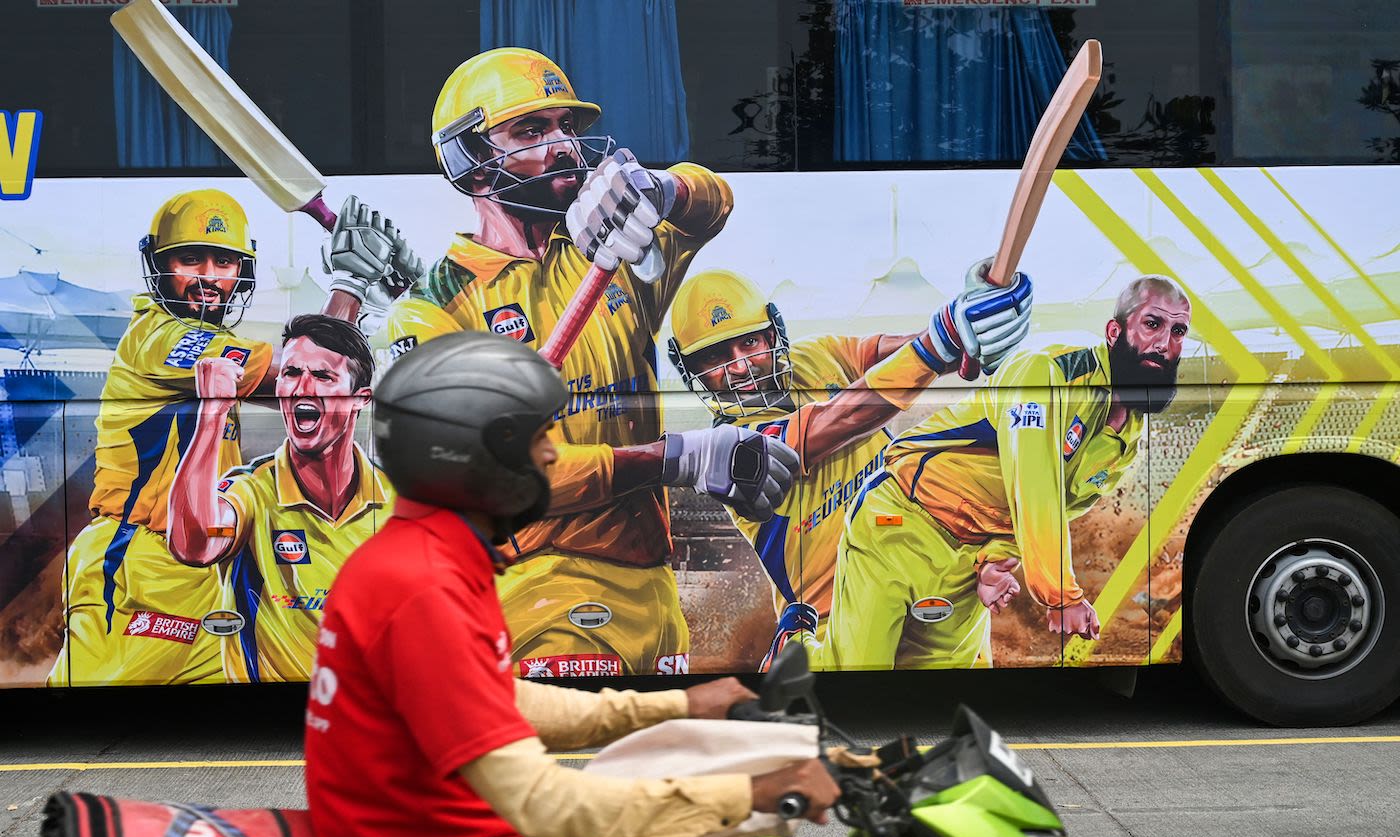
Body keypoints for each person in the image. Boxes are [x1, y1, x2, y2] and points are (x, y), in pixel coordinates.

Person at [303, 330, 840, 837]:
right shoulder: (424, 588)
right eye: (539, 440)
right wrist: (760, 793)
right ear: (475, 460)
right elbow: (548, 805)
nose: (556, 456)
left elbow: (501, 703)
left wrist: (680, 703)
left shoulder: (423, 556)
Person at [384, 47, 797, 677]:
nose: (564, 147)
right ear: (470, 160)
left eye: (568, 128)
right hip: (536, 590)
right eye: (531, 130)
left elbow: (714, 203)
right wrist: (676, 459)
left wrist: (661, 188)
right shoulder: (432, 310)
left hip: (652, 582)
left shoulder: (611, 246)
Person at [48, 190, 414, 687]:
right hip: (135, 563)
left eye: (224, 261)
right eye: (190, 259)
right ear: (157, 264)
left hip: (209, 557)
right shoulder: (159, 337)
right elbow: (306, 371)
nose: (208, 277)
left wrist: (380, 303)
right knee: (95, 717)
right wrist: (350, 284)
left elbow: (309, 393)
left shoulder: (215, 344)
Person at [665, 266, 1032, 670]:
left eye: (749, 342)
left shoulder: (819, 357)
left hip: (933, 586)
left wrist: (967, 328)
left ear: (773, 333)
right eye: (715, 356)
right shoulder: (731, 449)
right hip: (840, 620)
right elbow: (839, 420)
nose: (738, 366)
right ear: (689, 371)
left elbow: (904, 353)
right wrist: (936, 344)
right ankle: (794, 648)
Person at [818, 275, 1193, 669]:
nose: (1164, 343)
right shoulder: (1046, 373)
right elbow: (1034, 483)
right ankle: (796, 646)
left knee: (937, 688)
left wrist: (992, 561)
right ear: (1115, 331)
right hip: (900, 525)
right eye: (1153, 324)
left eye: (1178, 331)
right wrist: (1060, 595)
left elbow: (1054, 506)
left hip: (967, 560)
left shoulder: (1128, 436)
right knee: (857, 669)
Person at [167, 315, 387, 683]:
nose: (303, 388)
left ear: (359, 400)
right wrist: (212, 412)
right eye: (291, 373)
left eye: (322, 376)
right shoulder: (253, 489)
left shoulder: (396, 499)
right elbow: (194, 545)